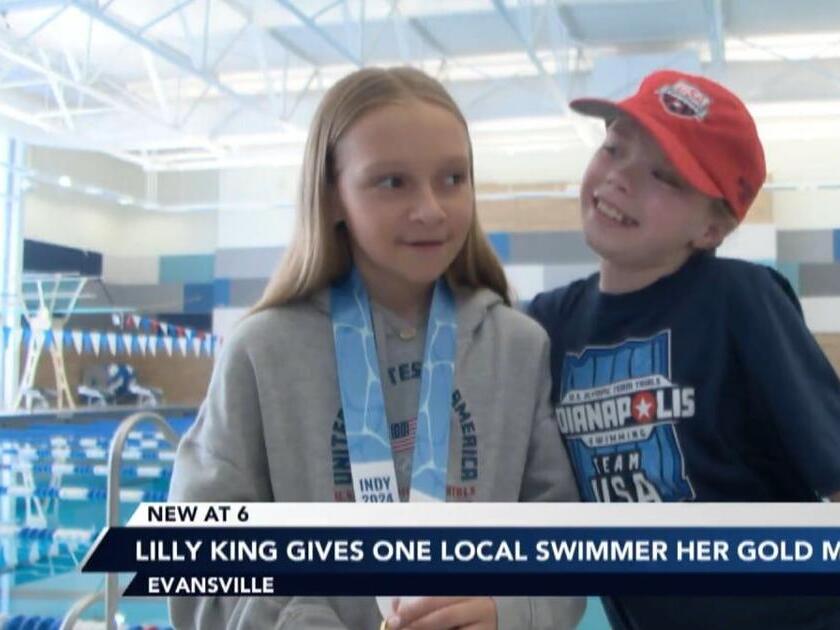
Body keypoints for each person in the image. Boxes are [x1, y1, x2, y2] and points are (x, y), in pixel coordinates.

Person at [169, 67, 583, 630]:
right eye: (393, 182)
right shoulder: (262, 354)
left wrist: (507, 610)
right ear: (332, 196)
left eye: (453, 178)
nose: (431, 208)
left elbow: (561, 538)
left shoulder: (518, 347)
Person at [528, 69, 840, 629]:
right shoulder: (548, 324)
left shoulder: (739, 300)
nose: (619, 178)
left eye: (663, 176)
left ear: (712, 229)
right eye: (612, 147)